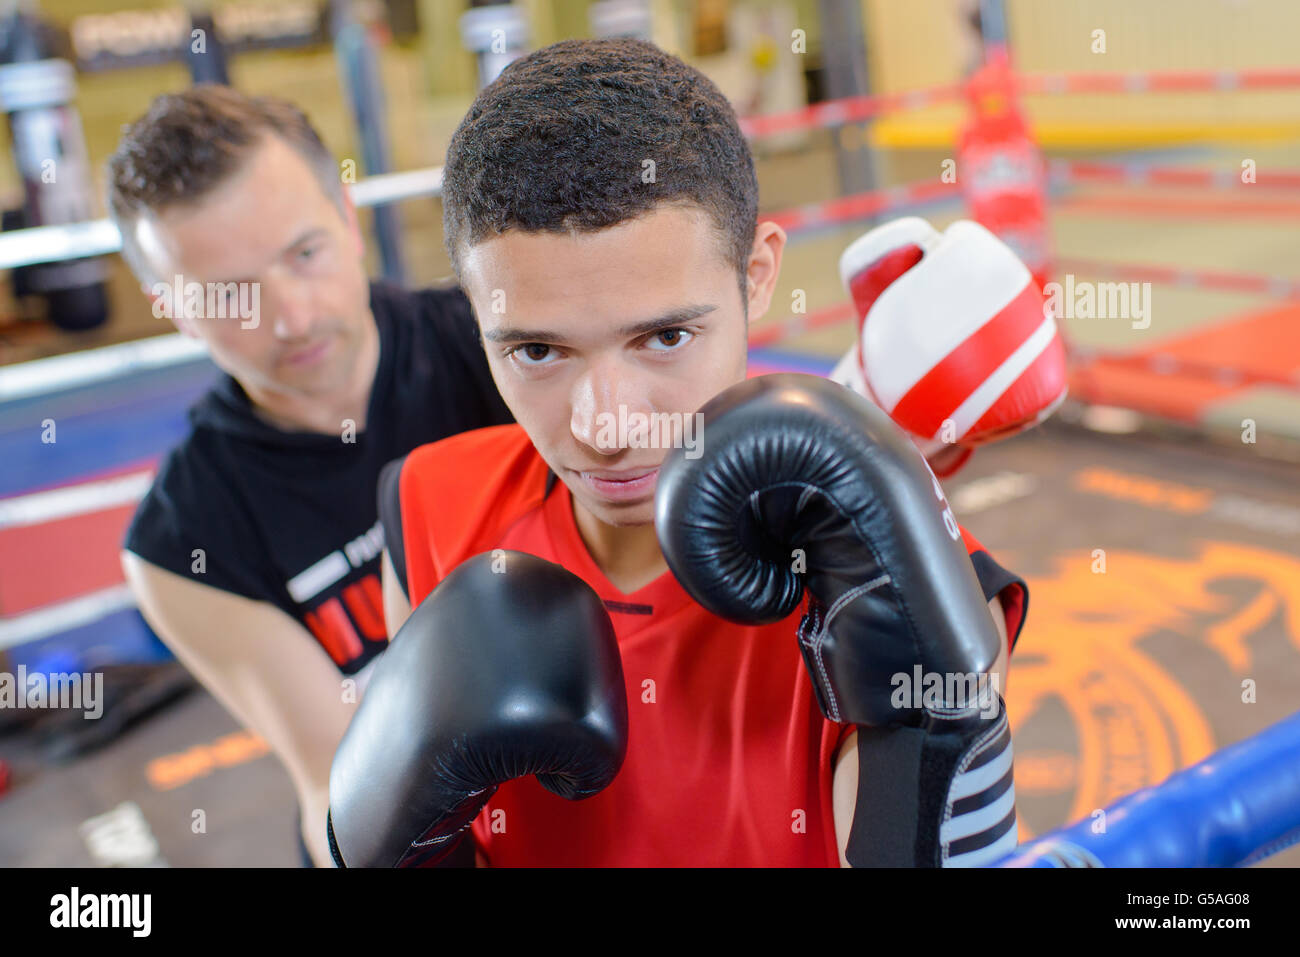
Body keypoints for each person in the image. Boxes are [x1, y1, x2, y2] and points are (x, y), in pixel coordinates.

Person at [336, 38, 1040, 867]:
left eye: (666, 336)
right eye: (535, 351)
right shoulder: (432, 506)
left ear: (757, 274)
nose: (608, 425)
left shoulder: (888, 562)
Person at [109, 86, 512, 866]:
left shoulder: (499, 344)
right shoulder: (183, 539)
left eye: (303, 254)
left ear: (347, 215)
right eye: (230, 294)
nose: (290, 317)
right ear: (174, 308)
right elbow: (338, 778)